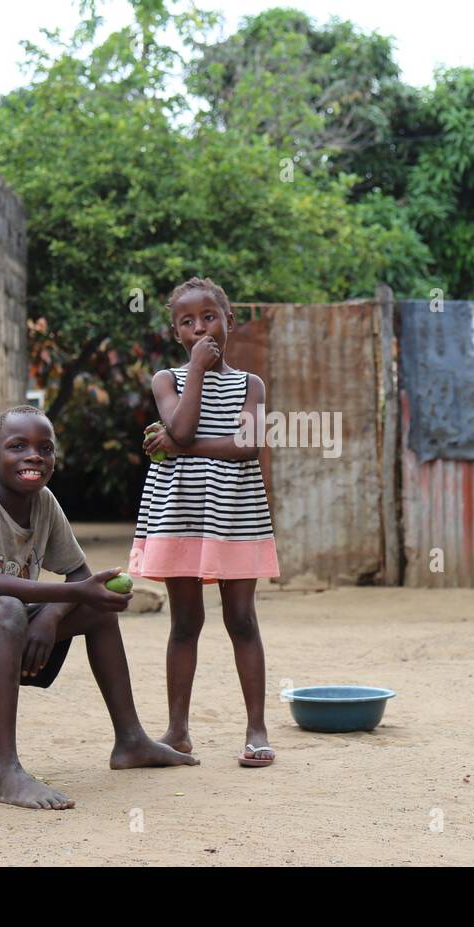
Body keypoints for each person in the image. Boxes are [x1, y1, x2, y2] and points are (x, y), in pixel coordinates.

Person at [0, 405, 196, 810]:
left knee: (97, 611)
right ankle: (3, 773)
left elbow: (79, 575)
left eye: (45, 448)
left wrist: (51, 617)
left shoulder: (44, 503)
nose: (34, 456)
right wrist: (71, 596)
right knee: (8, 608)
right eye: (17, 446)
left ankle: (130, 740)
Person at [131, 277, 281, 767]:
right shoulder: (166, 380)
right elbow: (183, 424)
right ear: (176, 334)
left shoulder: (250, 385)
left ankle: (256, 728)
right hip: (180, 512)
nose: (200, 329)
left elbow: (245, 447)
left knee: (241, 619)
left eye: (209, 317)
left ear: (230, 320)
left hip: (234, 514)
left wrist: (178, 446)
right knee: (184, 622)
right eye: (187, 322)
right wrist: (195, 370)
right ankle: (177, 730)